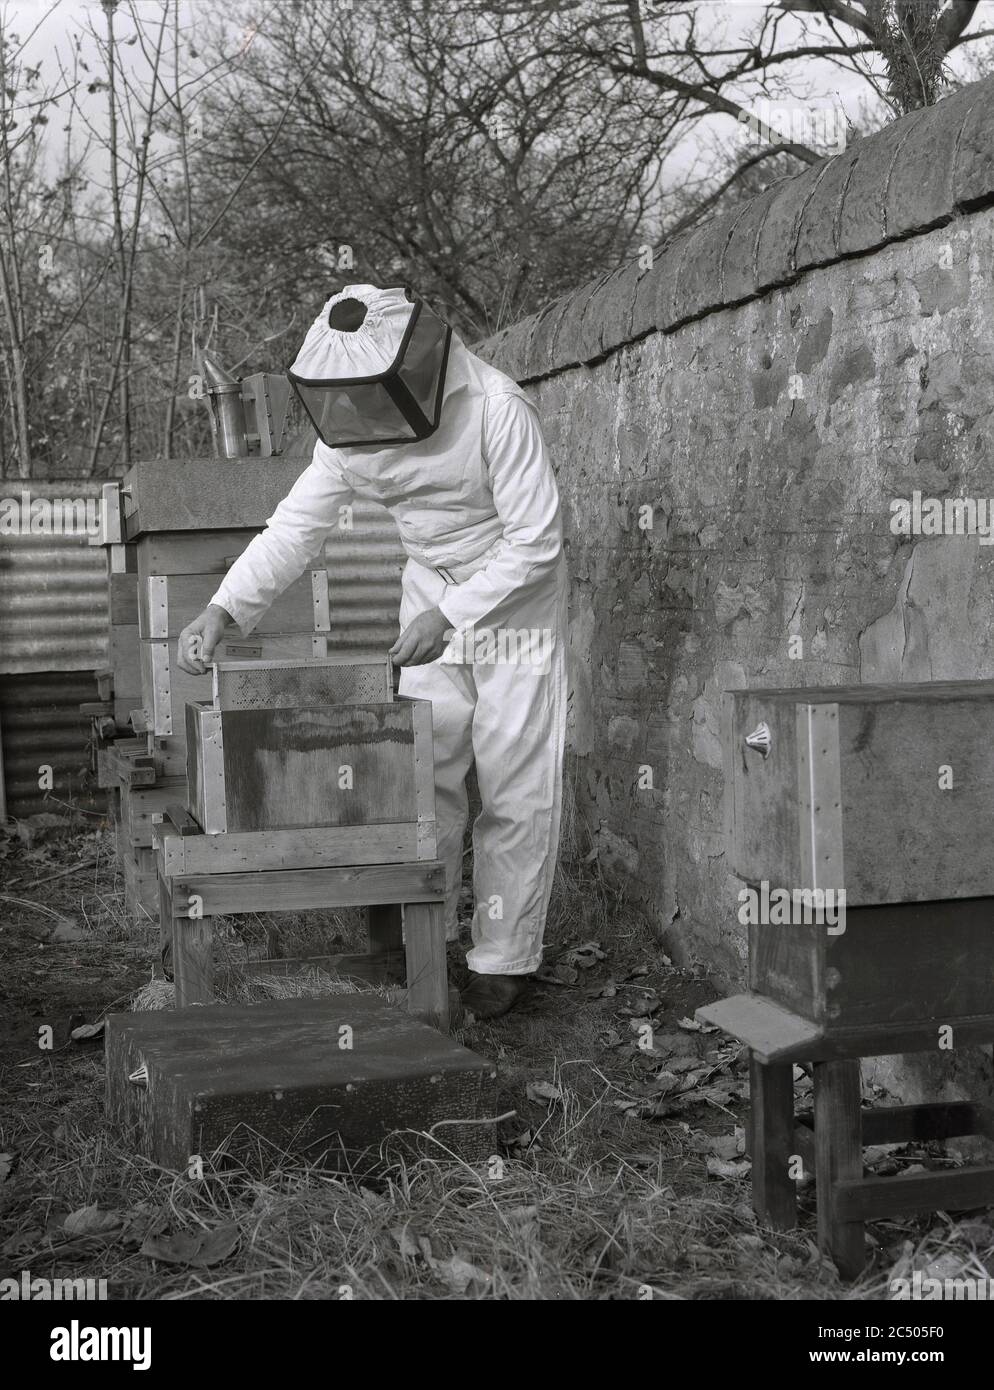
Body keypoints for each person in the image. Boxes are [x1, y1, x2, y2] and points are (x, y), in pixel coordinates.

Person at [177, 283, 567, 1018]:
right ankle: (424, 932)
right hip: (428, 585)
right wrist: (225, 608)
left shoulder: (496, 408)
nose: (361, 411)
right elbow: (294, 531)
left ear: (411, 366)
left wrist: (452, 614)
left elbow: (538, 543)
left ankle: (503, 957)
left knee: (515, 776)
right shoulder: (347, 427)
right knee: (429, 764)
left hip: (514, 594)